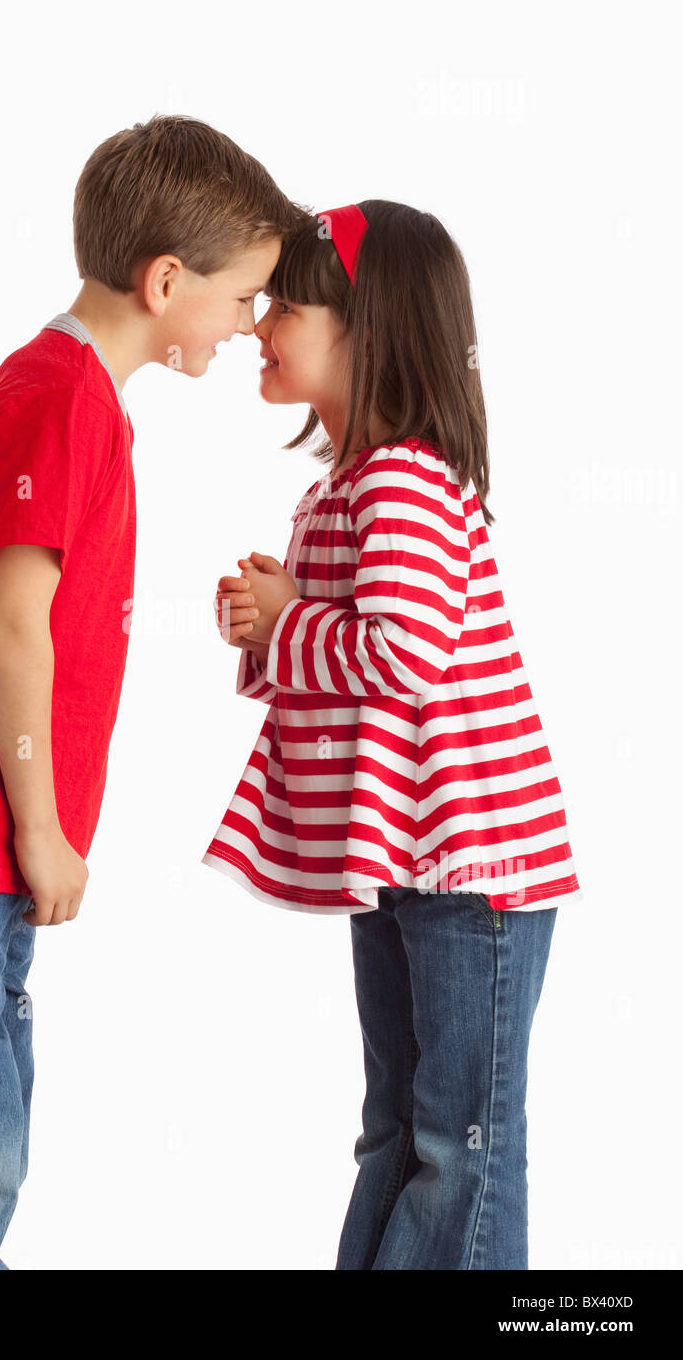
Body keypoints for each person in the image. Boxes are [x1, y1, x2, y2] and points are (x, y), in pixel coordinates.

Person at [0, 113, 307, 1269]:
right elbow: (13, 625)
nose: (247, 324)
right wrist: (42, 827)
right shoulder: (61, 394)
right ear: (165, 278)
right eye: (241, 298)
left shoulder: (76, 396)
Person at [206, 201, 581, 1269]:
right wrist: (273, 621)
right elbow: (347, 653)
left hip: (471, 864)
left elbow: (399, 656)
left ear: (367, 332)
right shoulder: (349, 485)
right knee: (402, 1130)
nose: (261, 322)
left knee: (457, 1141)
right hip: (407, 860)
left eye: (286, 302)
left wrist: (289, 623)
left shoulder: (405, 482)